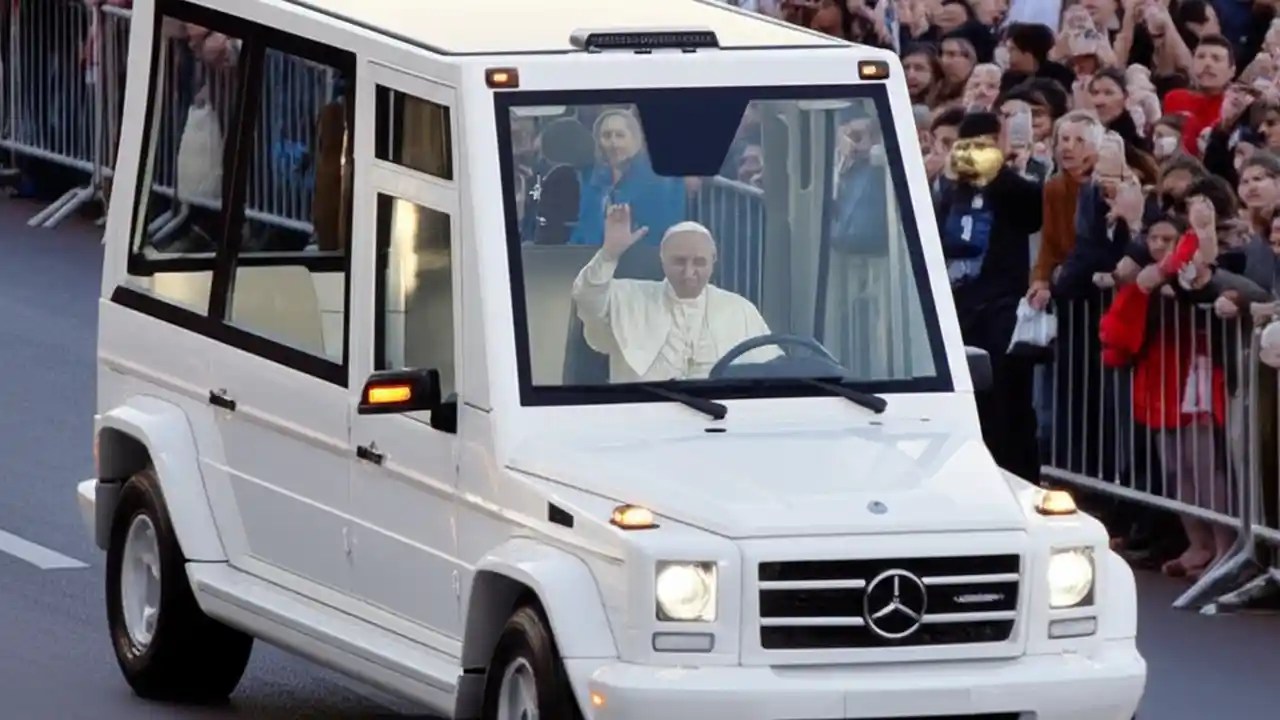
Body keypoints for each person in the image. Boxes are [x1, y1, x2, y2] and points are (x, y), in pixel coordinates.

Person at [571, 204, 778, 383]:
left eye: (699, 262)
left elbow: (771, 370)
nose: (689, 273)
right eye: (679, 262)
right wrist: (609, 254)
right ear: (663, 261)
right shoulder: (628, 297)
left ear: (713, 262)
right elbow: (586, 297)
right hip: (642, 417)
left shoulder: (739, 310)